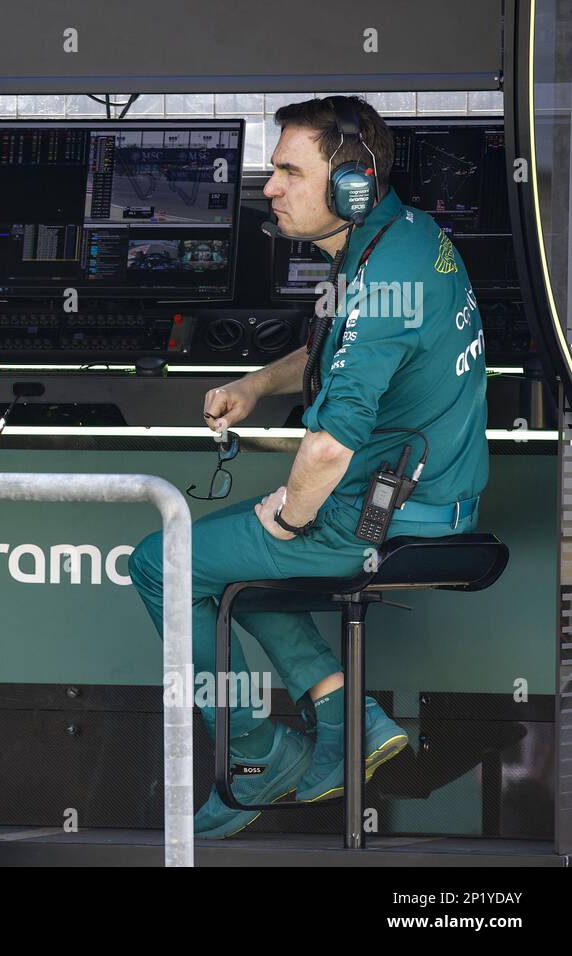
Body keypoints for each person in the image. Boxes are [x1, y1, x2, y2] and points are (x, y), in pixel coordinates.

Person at [129, 96, 489, 839]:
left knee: (160, 564)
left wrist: (289, 518)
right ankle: (348, 719)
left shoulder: (383, 274)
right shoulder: (404, 237)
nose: (269, 187)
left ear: (353, 181)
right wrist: (257, 384)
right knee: (239, 571)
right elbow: (346, 353)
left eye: (289, 171)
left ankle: (258, 752)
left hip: (388, 513)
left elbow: (328, 448)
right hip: (430, 497)